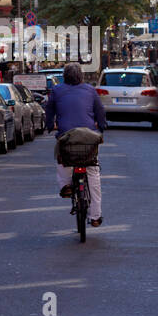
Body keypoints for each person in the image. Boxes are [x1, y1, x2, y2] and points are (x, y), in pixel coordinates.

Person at [45, 62, 106, 227]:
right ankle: (95, 216)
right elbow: (100, 111)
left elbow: (49, 110)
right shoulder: (90, 90)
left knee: (61, 157)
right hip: (88, 136)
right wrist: (101, 126)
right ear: (81, 76)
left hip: (67, 135)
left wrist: (50, 125)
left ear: (64, 76)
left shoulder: (57, 90)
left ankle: (66, 185)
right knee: (93, 172)